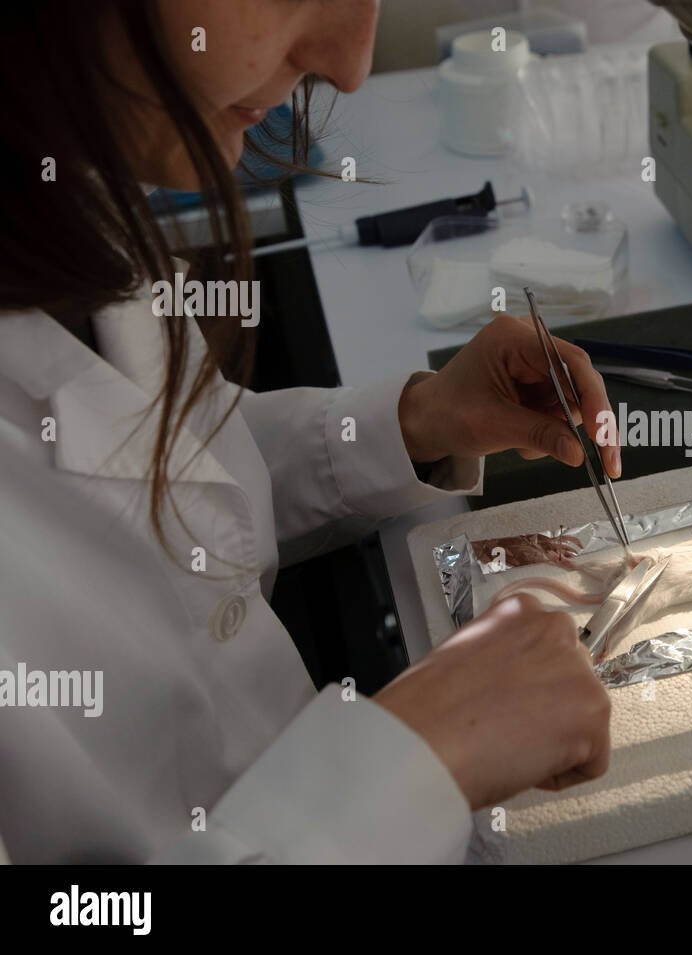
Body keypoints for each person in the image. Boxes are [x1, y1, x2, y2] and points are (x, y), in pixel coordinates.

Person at [0, 0, 617, 863]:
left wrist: (420, 422)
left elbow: (163, 474)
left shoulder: (60, 190)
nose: (350, 62)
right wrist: (415, 760)